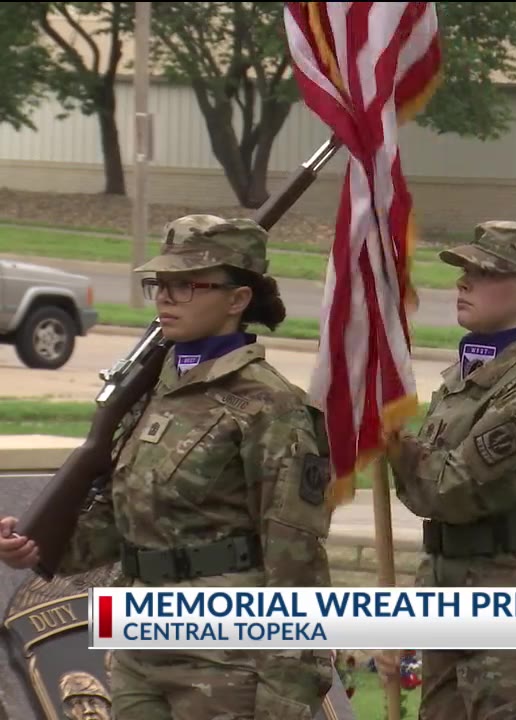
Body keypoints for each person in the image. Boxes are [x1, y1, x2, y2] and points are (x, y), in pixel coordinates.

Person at [0, 214, 335, 720]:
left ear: (238, 300)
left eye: (188, 285)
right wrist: (37, 545)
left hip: (224, 651)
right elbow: (124, 521)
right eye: (161, 283)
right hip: (139, 640)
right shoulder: (155, 391)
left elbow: (296, 559)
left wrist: (288, 689)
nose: (165, 297)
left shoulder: (270, 405)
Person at [382, 220, 516, 720]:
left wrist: (394, 443)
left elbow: (449, 491)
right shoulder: (471, 377)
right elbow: (443, 528)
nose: (464, 281)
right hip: (452, 591)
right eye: (465, 270)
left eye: (484, 273)